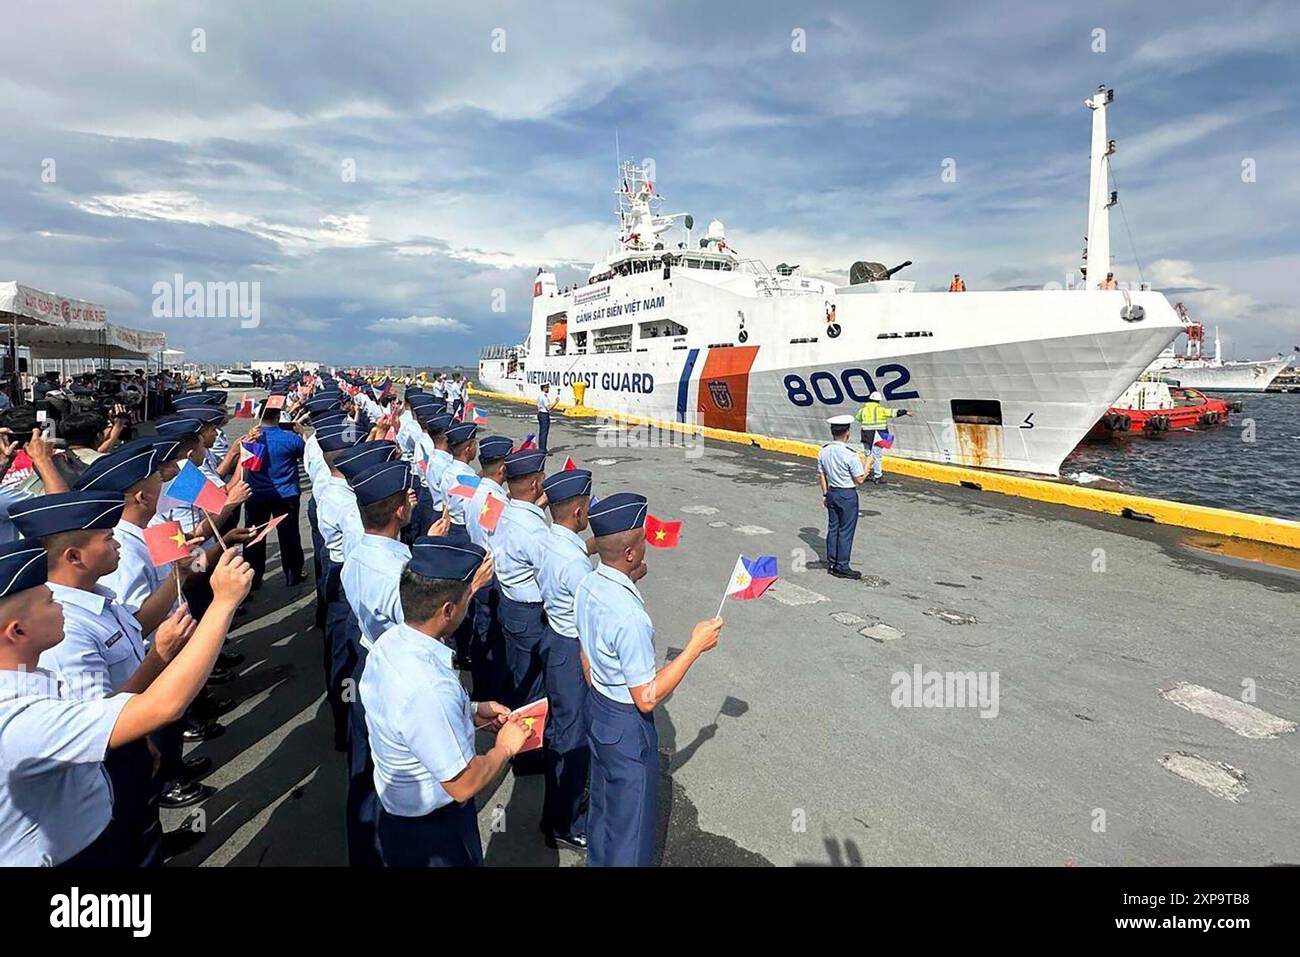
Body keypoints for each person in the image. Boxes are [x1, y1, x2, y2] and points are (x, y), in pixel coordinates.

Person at [0, 542, 252, 866]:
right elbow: (164, 705)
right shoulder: (18, 718)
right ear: (17, 631)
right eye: (50, 602)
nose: (60, 606)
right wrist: (223, 604)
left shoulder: (32, 676)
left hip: (97, 827)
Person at [576, 493, 722, 866]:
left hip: (598, 708)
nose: (648, 546)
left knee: (605, 811)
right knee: (632, 830)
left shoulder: (587, 584)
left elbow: (586, 656)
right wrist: (694, 647)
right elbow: (647, 697)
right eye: (644, 541)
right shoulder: (630, 616)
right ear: (629, 554)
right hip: (626, 725)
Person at [360, 537, 525, 867]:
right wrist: (505, 748)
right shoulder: (427, 688)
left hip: (401, 816)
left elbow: (410, 721)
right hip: (430, 832)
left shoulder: (393, 640)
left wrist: (473, 710)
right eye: (467, 598)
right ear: (447, 610)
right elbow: (464, 783)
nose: (468, 605)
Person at [340, 458, 422, 868]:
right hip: (394, 672)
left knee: (365, 771)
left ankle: (364, 853)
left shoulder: (358, 552)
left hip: (367, 660)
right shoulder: (397, 571)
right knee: (397, 774)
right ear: (398, 511)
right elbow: (422, 629)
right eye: (405, 498)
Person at [535, 468, 596, 850]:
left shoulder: (550, 538)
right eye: (588, 504)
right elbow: (589, 619)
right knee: (573, 739)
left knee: (560, 729)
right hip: (571, 649)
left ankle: (558, 805)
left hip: (553, 638)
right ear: (577, 511)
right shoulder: (575, 564)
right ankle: (565, 820)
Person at [493, 448, 550, 709]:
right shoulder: (534, 530)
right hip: (529, 614)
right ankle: (526, 748)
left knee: (515, 675)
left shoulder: (503, 509)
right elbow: (552, 575)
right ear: (536, 484)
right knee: (532, 693)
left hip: (507, 601)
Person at [465, 435, 513, 698]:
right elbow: (502, 540)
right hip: (492, 575)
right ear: (503, 468)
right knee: (492, 638)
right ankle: (490, 694)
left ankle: (483, 688)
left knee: (482, 633)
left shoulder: (481, 492)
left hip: (478, 565)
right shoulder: (495, 501)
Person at [242, 400, 306, 590]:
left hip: (257, 495)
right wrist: (302, 433)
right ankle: (293, 574)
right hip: (286, 495)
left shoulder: (250, 439)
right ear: (279, 416)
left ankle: (253, 579)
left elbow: (244, 467)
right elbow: (307, 456)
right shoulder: (290, 439)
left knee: (254, 537)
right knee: (289, 536)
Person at [818, 415, 868, 580]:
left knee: (833, 528)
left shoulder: (823, 451)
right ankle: (842, 566)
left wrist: (825, 494)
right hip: (847, 494)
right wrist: (868, 464)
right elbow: (859, 479)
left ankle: (832, 563)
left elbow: (821, 475)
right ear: (847, 433)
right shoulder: (850, 454)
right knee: (846, 531)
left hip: (832, 491)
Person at [854, 390, 908, 483]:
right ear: (878, 401)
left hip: (866, 435)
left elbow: (858, 418)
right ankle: (878, 477)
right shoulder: (881, 410)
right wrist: (905, 412)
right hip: (879, 434)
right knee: (877, 455)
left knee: (868, 454)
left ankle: (865, 473)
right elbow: (894, 413)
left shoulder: (862, 410)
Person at [536, 384, 559, 453]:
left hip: (540, 413)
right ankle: (543, 450)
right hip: (544, 415)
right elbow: (548, 407)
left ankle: (541, 448)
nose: (548, 389)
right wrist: (556, 401)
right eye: (547, 387)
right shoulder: (544, 397)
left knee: (541, 432)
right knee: (544, 433)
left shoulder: (540, 396)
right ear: (544, 388)